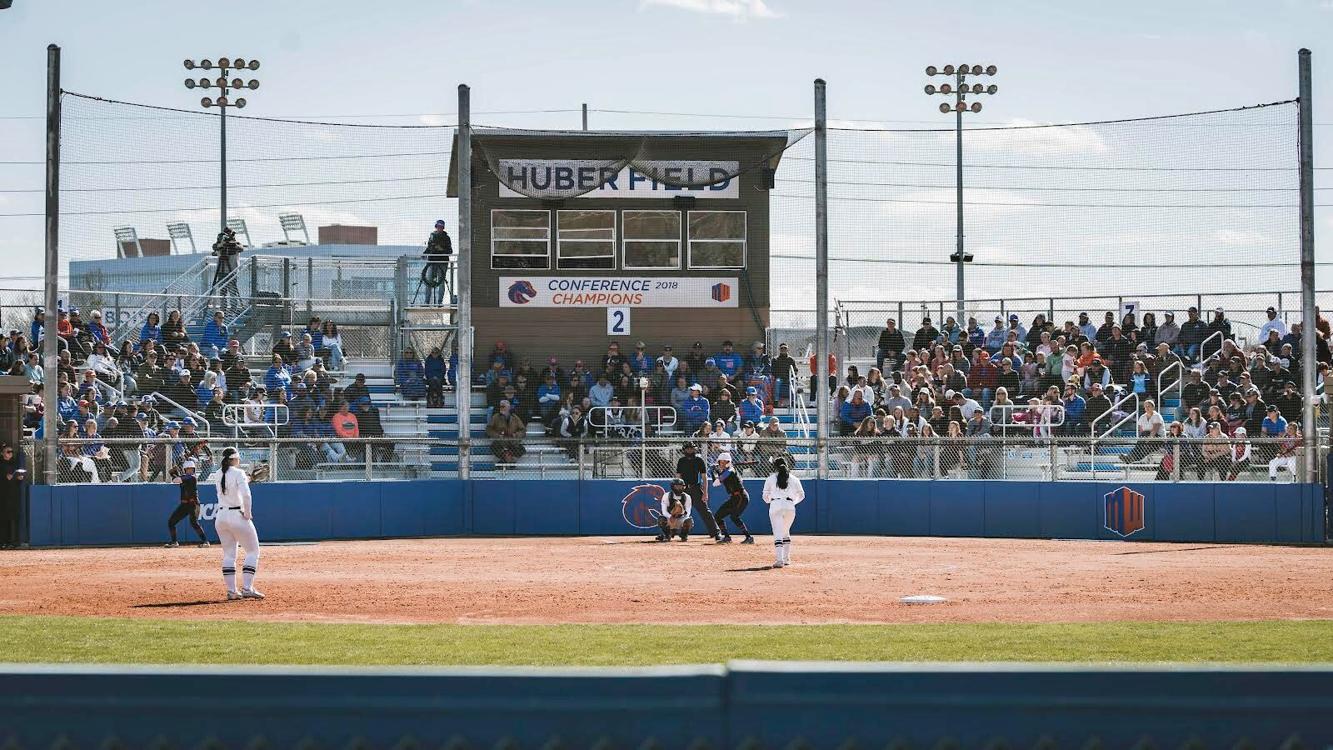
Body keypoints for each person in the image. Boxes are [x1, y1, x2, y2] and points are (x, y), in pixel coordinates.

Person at [214, 447, 263, 600]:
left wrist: (249, 478)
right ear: (234, 459)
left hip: (221, 516)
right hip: (237, 514)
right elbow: (246, 495)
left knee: (229, 554)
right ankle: (247, 588)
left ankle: (232, 591)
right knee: (253, 552)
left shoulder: (218, 473)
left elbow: (230, 482)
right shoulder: (238, 473)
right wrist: (248, 513)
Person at [762, 456, 804, 569]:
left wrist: (771, 501)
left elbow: (765, 496)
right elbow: (802, 495)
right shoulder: (794, 479)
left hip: (775, 505)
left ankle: (780, 560)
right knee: (785, 532)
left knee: (778, 533)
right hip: (790, 507)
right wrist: (793, 502)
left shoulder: (770, 479)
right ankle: (786, 559)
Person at [676, 442, 720, 541]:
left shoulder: (699, 460)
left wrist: (705, 492)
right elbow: (678, 476)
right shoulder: (681, 461)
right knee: (679, 511)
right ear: (684, 450)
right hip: (684, 489)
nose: (690, 451)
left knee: (705, 511)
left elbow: (704, 477)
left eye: (692, 449)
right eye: (688, 449)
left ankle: (716, 532)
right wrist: (678, 490)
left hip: (695, 488)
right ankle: (679, 533)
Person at [165, 458, 209, 548]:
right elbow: (178, 480)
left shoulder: (192, 477)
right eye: (188, 469)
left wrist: (173, 474)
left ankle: (205, 541)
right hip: (185, 505)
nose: (190, 471)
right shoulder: (184, 477)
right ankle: (174, 542)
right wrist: (175, 474)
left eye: (191, 469)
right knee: (171, 522)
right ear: (185, 470)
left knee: (193, 522)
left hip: (194, 504)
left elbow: (176, 480)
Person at [711, 452, 753, 544]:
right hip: (733, 498)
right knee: (718, 516)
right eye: (720, 462)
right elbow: (716, 483)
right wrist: (715, 472)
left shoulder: (731, 471)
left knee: (734, 516)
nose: (722, 464)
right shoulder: (726, 471)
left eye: (724, 462)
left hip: (741, 497)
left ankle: (749, 537)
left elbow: (718, 481)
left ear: (728, 462)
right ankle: (726, 537)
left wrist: (714, 471)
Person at [0, 442, 27, 548]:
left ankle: (12, 542)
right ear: (2, 453)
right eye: (8, 452)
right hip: (3, 496)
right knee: (3, 519)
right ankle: (3, 542)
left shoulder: (14, 464)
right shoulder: (1, 464)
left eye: (11, 452)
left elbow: (17, 477)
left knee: (13, 519)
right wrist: (5, 478)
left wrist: (18, 479)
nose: (10, 454)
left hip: (13, 495)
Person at [422, 219, 453, 305]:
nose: (439, 229)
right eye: (438, 227)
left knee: (441, 281)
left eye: (441, 227)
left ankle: (440, 302)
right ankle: (426, 302)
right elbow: (429, 247)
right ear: (436, 227)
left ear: (443, 228)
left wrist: (441, 249)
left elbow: (450, 251)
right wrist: (425, 254)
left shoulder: (446, 238)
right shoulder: (432, 236)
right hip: (432, 261)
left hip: (442, 262)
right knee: (428, 280)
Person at [486, 399, 526, 465]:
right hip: (500, 442)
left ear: (509, 407)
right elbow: (488, 429)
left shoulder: (515, 417)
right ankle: (506, 457)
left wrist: (516, 435)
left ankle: (509, 458)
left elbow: (523, 430)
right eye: (500, 406)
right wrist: (497, 435)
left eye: (503, 406)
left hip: (512, 442)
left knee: (521, 450)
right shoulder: (495, 417)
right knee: (494, 447)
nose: (501, 408)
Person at [656, 477, 694, 542]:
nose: (679, 488)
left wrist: (680, 513)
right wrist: (671, 516)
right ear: (673, 487)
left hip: (681, 518)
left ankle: (683, 535)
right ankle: (667, 535)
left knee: (689, 521)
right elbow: (664, 511)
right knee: (661, 519)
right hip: (670, 518)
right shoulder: (667, 495)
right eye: (677, 486)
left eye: (681, 486)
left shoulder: (687, 497)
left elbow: (688, 512)